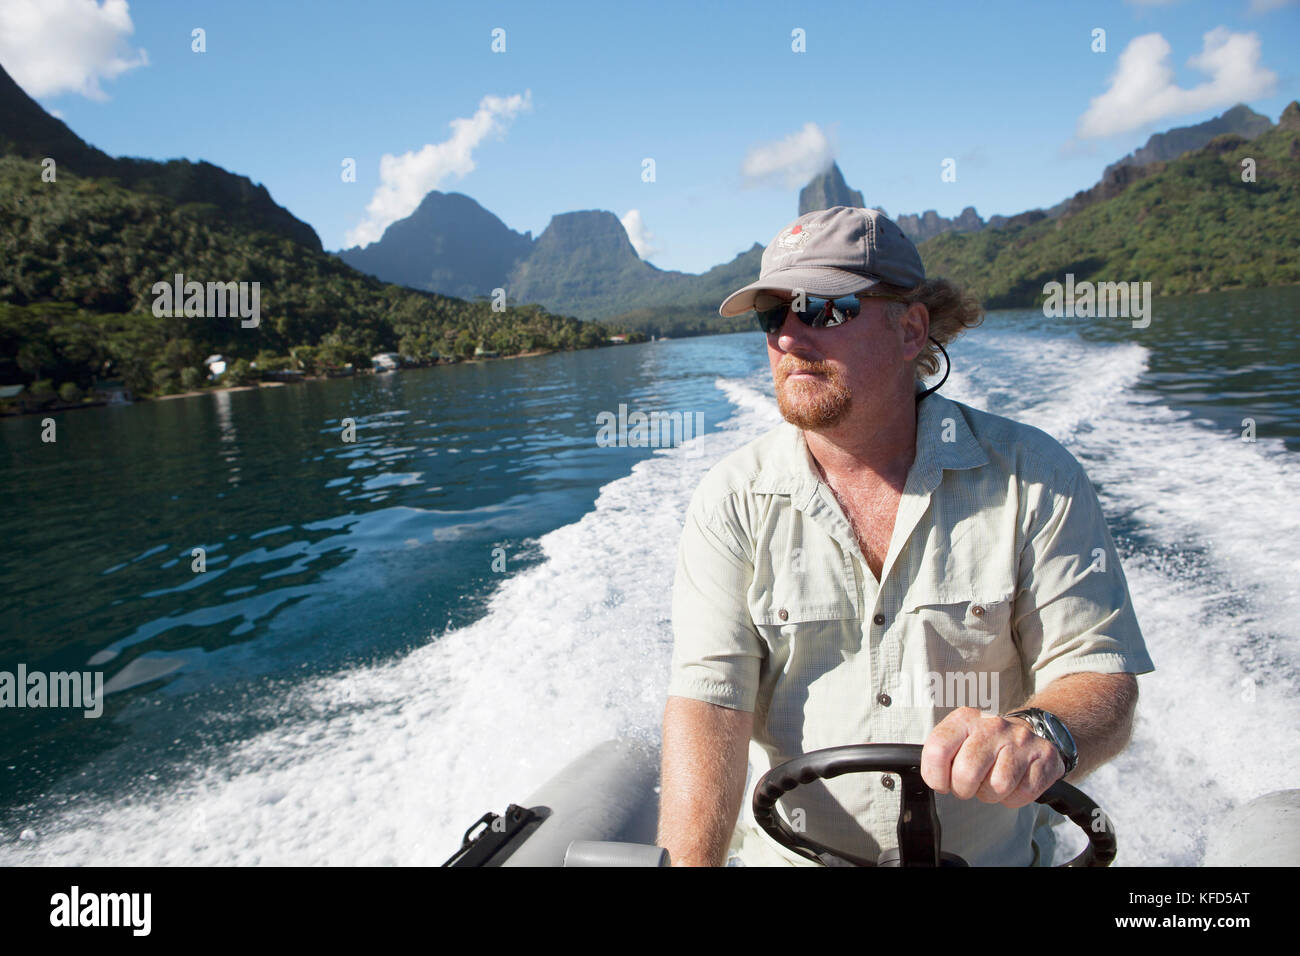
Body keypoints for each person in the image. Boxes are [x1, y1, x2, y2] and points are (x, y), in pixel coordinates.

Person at [657, 205, 1155, 867]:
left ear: (910, 330)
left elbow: (1097, 675)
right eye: (774, 314)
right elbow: (710, 708)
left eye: (824, 309)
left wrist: (1045, 732)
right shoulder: (732, 502)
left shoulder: (1034, 476)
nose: (789, 338)